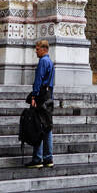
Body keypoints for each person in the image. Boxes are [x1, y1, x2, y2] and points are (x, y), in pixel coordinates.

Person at [26, 39, 54, 170]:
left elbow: (38, 80)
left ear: (43, 49)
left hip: (41, 97)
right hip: (49, 97)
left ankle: (37, 158)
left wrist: (34, 96)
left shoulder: (43, 62)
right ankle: (48, 158)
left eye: (37, 49)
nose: (36, 51)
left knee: (38, 126)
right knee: (47, 127)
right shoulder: (50, 62)